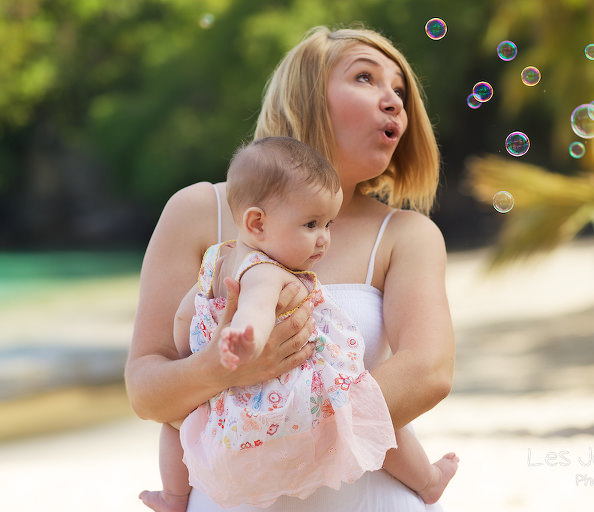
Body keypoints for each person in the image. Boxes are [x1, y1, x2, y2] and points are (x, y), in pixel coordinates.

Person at [125, 24, 456, 511]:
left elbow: (428, 373)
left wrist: (277, 427)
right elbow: (146, 390)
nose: (394, 101)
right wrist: (216, 369)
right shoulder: (199, 211)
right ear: (304, 96)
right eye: (365, 78)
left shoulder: (407, 235)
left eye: (400, 91)